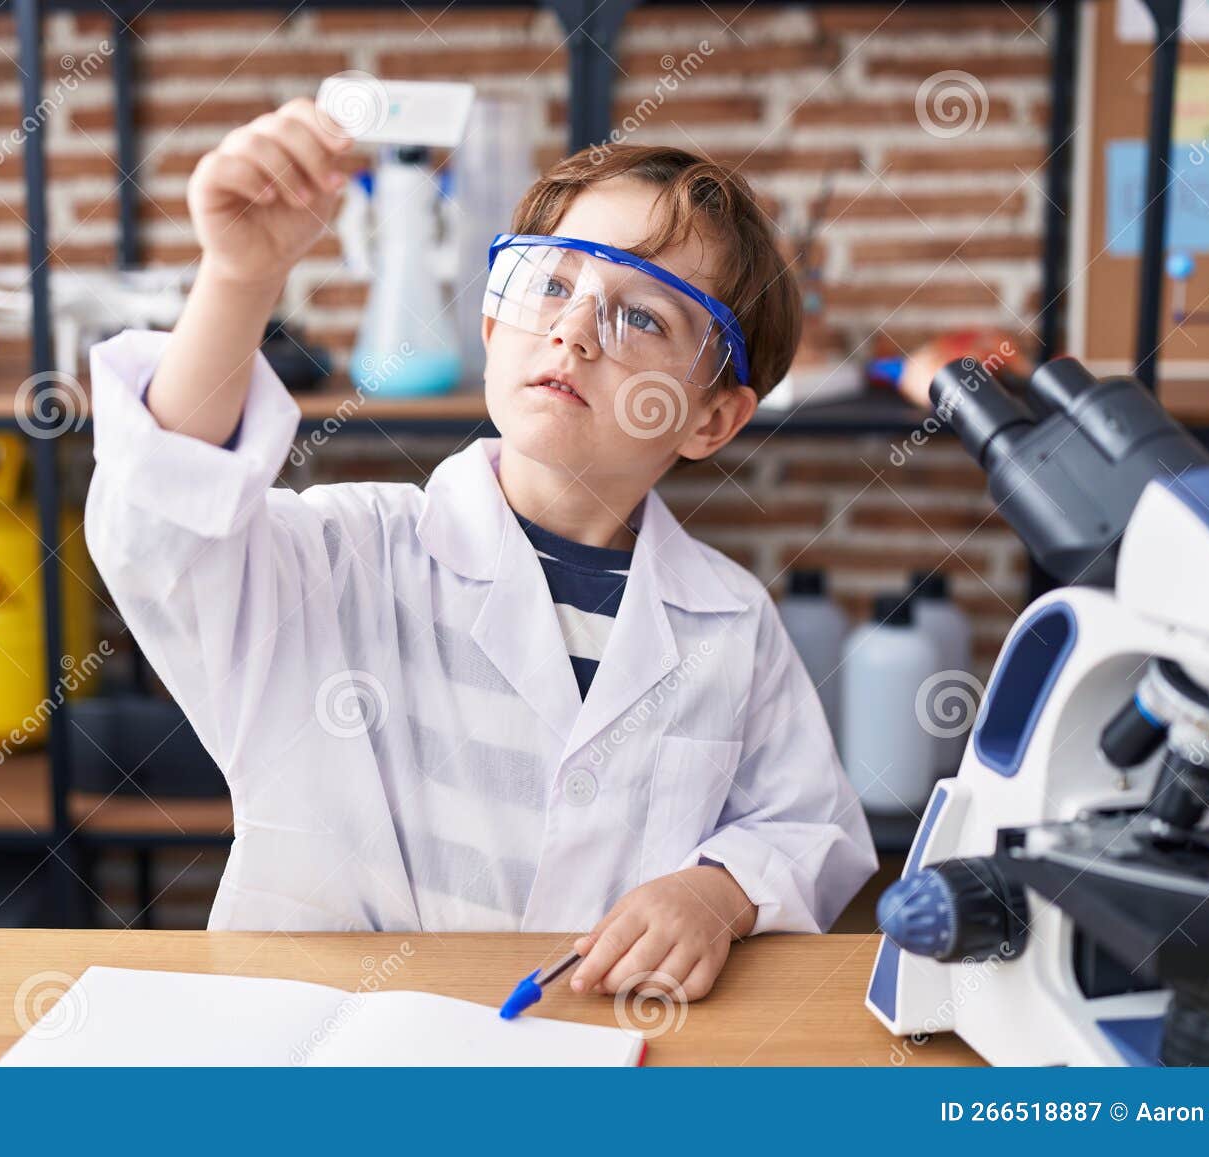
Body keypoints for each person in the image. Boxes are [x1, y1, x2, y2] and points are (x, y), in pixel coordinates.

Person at [83, 97, 877, 1002]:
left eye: (645, 318)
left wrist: (718, 890)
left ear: (713, 417)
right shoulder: (345, 554)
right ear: (495, 327)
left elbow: (809, 822)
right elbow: (164, 523)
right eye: (550, 285)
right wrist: (236, 278)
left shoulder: (730, 621)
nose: (573, 330)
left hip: (594, 1056)